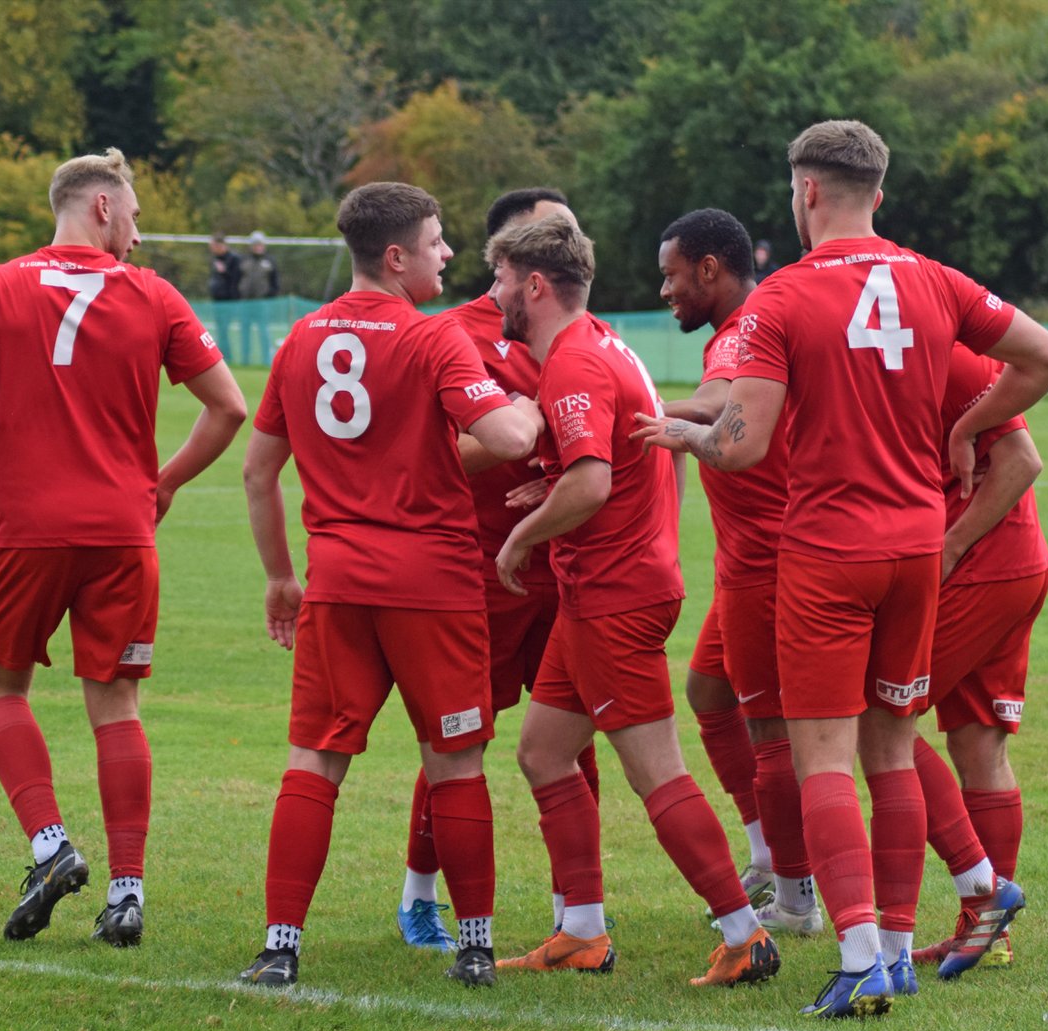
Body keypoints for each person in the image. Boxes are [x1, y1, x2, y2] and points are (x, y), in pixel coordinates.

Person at [634, 119, 1048, 1017]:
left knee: (823, 753)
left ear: (806, 193)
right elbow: (1047, 357)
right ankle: (903, 947)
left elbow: (744, 446)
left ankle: (861, 952)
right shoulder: (935, 279)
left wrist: (686, 435)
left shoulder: (781, 299)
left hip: (830, 550)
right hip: (919, 548)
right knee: (894, 744)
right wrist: (964, 427)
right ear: (880, 192)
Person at [0, 147, 249, 949]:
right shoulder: (156, 297)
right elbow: (229, 409)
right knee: (117, 706)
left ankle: (51, 847)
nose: (136, 236)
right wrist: (161, 486)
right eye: (132, 217)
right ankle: (126, 895)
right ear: (100, 207)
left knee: (0, 689)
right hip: (122, 534)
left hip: (26, 533)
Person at [240, 182, 541, 990]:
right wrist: (538, 406)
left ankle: (279, 948)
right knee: (455, 760)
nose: (450, 255)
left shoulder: (300, 339)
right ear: (397, 255)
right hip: (433, 584)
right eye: (439, 243)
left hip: (337, 581)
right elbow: (508, 435)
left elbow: (258, 470)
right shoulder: (434, 339)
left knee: (315, 759)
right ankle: (475, 946)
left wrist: (279, 576)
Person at [488, 215, 780, 987]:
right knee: (543, 752)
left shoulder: (574, 361)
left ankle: (745, 932)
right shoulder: (603, 342)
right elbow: (615, 458)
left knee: (657, 772)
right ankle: (582, 930)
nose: (495, 297)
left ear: (537, 286)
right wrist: (556, 489)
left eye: (502, 281)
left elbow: (594, 482)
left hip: (613, 595)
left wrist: (522, 538)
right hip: (609, 587)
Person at [394, 187, 604, 952]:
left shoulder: (589, 333)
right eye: (554, 236)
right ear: (510, 258)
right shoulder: (448, 335)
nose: (569, 248)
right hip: (478, 570)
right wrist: (532, 425)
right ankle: (420, 896)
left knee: (575, 740)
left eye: (572, 234)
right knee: (459, 738)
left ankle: (577, 909)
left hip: (570, 568)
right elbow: (432, 456)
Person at [655, 208, 820, 937]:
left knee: (774, 731)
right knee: (708, 691)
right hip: (745, 561)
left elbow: (723, 405)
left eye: (671, 275)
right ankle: (766, 852)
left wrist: (630, 413)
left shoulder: (746, 332)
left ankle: (796, 898)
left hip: (773, 564)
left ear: (710, 269)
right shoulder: (745, 326)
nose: (666, 291)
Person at [907, 344, 1048, 978]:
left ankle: (984, 893)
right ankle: (988, 929)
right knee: (978, 746)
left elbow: (1021, 460)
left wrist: (950, 547)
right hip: (1007, 563)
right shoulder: (894, 341)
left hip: (984, 567)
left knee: (870, 717)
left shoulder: (949, 355)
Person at [239, 231, 281, 366]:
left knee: (264, 332)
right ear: (251, 246)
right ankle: (245, 360)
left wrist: (270, 296)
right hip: (245, 304)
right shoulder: (244, 260)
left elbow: (275, 282)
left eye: (260, 244)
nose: (258, 247)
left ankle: (266, 360)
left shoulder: (269, 261)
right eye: (256, 244)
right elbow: (237, 280)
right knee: (245, 332)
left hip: (262, 304)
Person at [207, 233, 243, 361]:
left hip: (229, 302)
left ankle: (228, 357)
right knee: (221, 330)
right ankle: (223, 356)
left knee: (224, 330)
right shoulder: (216, 259)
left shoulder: (233, 259)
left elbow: (235, 279)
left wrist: (224, 272)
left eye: (213, 245)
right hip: (218, 301)